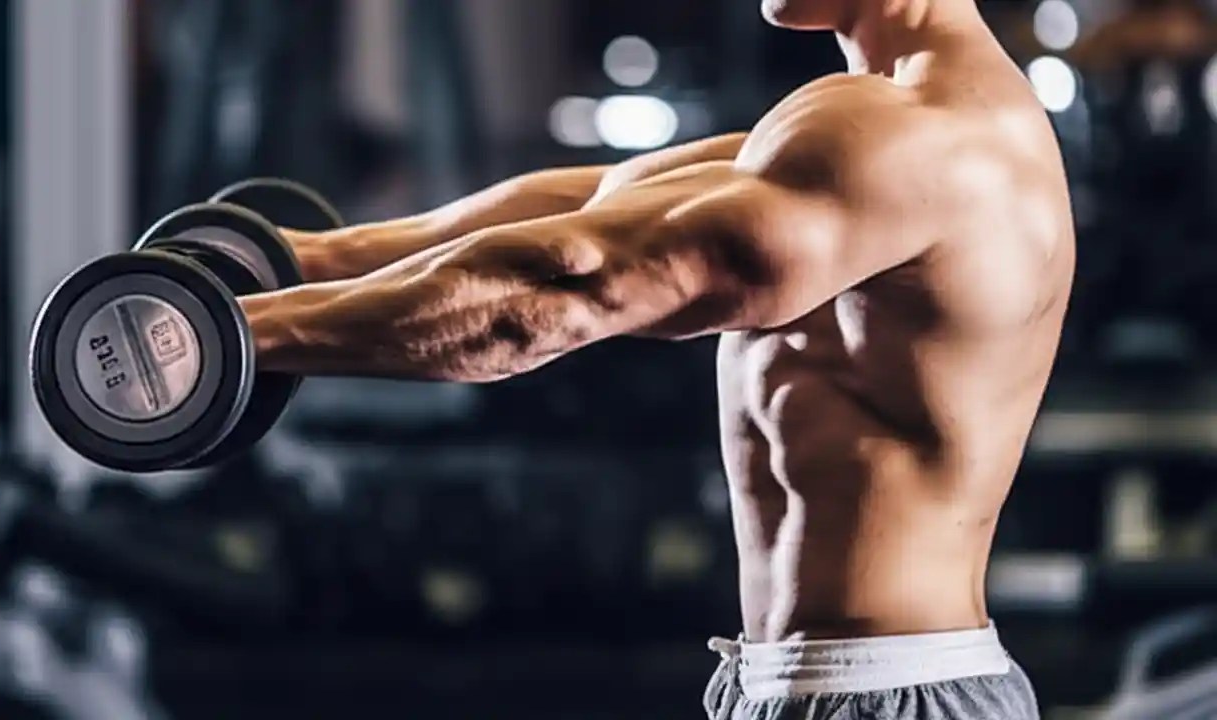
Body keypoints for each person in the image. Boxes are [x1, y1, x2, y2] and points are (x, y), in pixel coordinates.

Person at [240, 0, 1072, 717]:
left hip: (882, 692)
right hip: (816, 679)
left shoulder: (920, 139)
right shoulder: (889, 120)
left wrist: (238, 337)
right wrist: (303, 259)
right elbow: (603, 202)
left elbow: (567, 291)